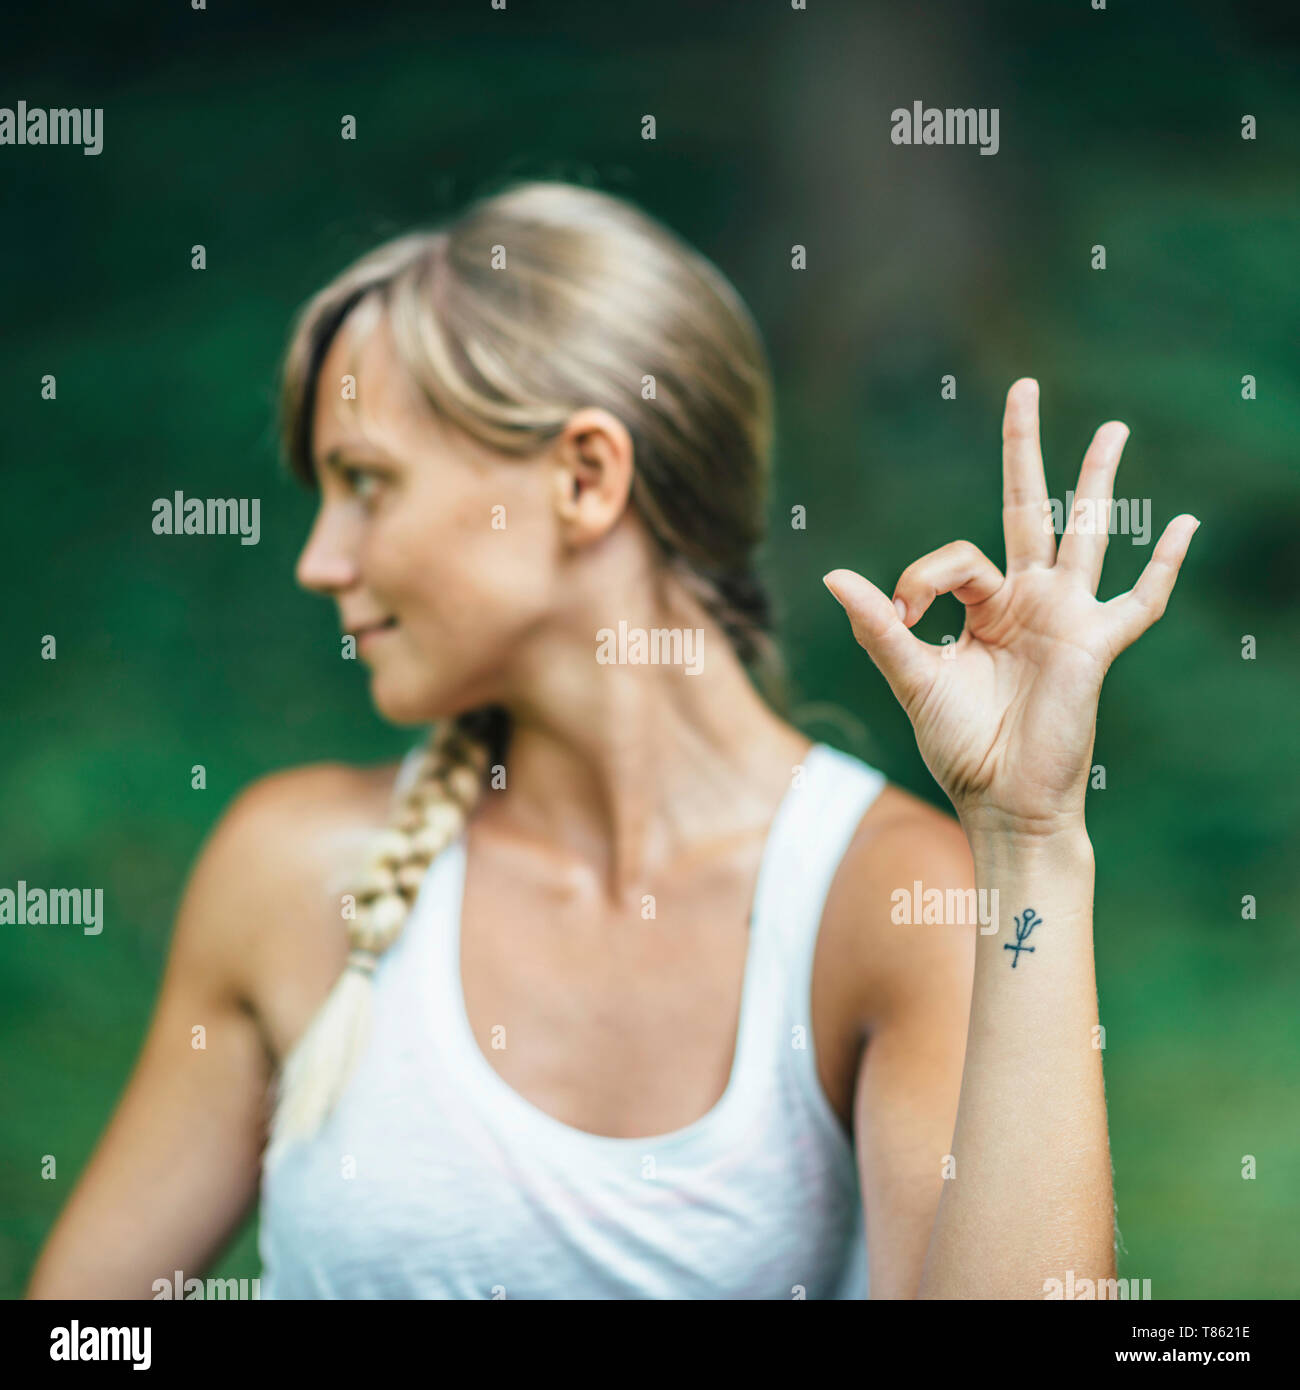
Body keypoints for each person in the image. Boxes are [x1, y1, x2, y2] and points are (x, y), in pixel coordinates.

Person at [26, 180, 1196, 1300]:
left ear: (584, 476)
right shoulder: (289, 868)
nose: (320, 559)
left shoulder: (883, 903)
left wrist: (1029, 838)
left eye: (366, 482)